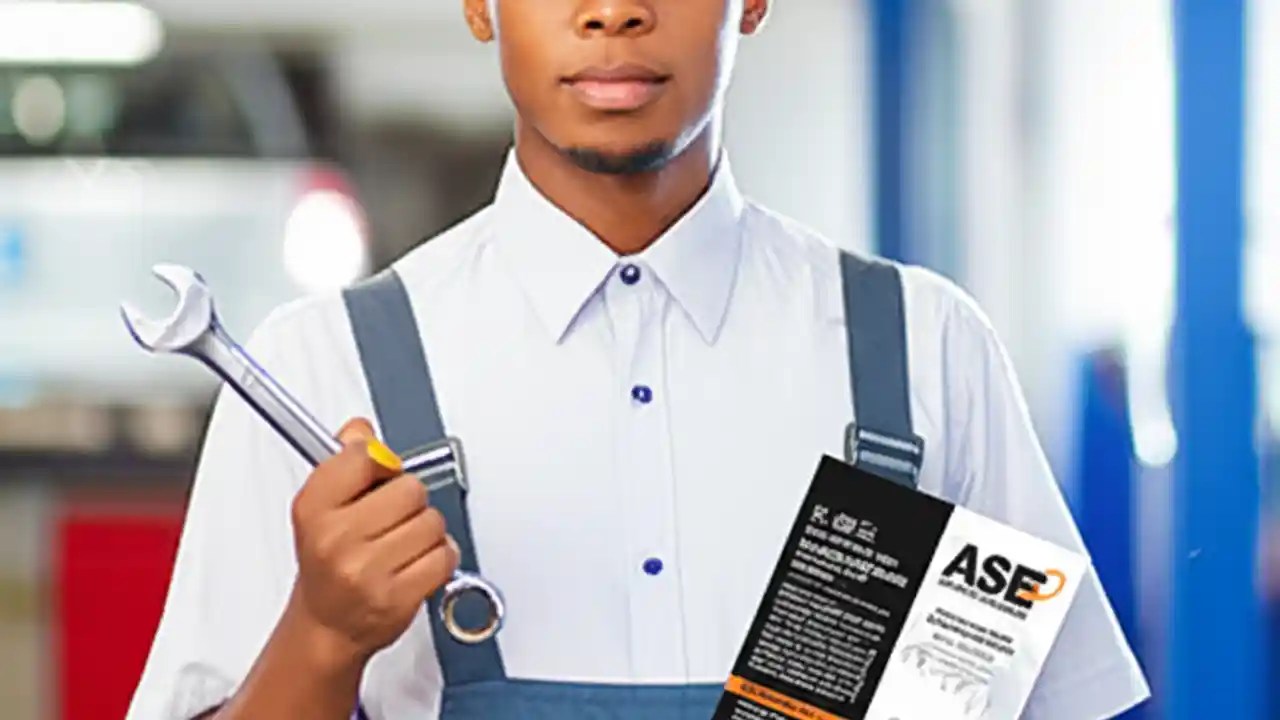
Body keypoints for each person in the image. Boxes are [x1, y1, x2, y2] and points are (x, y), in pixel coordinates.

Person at [127, 0, 1151, 718]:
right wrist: (321, 633)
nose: (611, 9)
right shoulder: (318, 372)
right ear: (477, 3)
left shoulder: (925, 358)